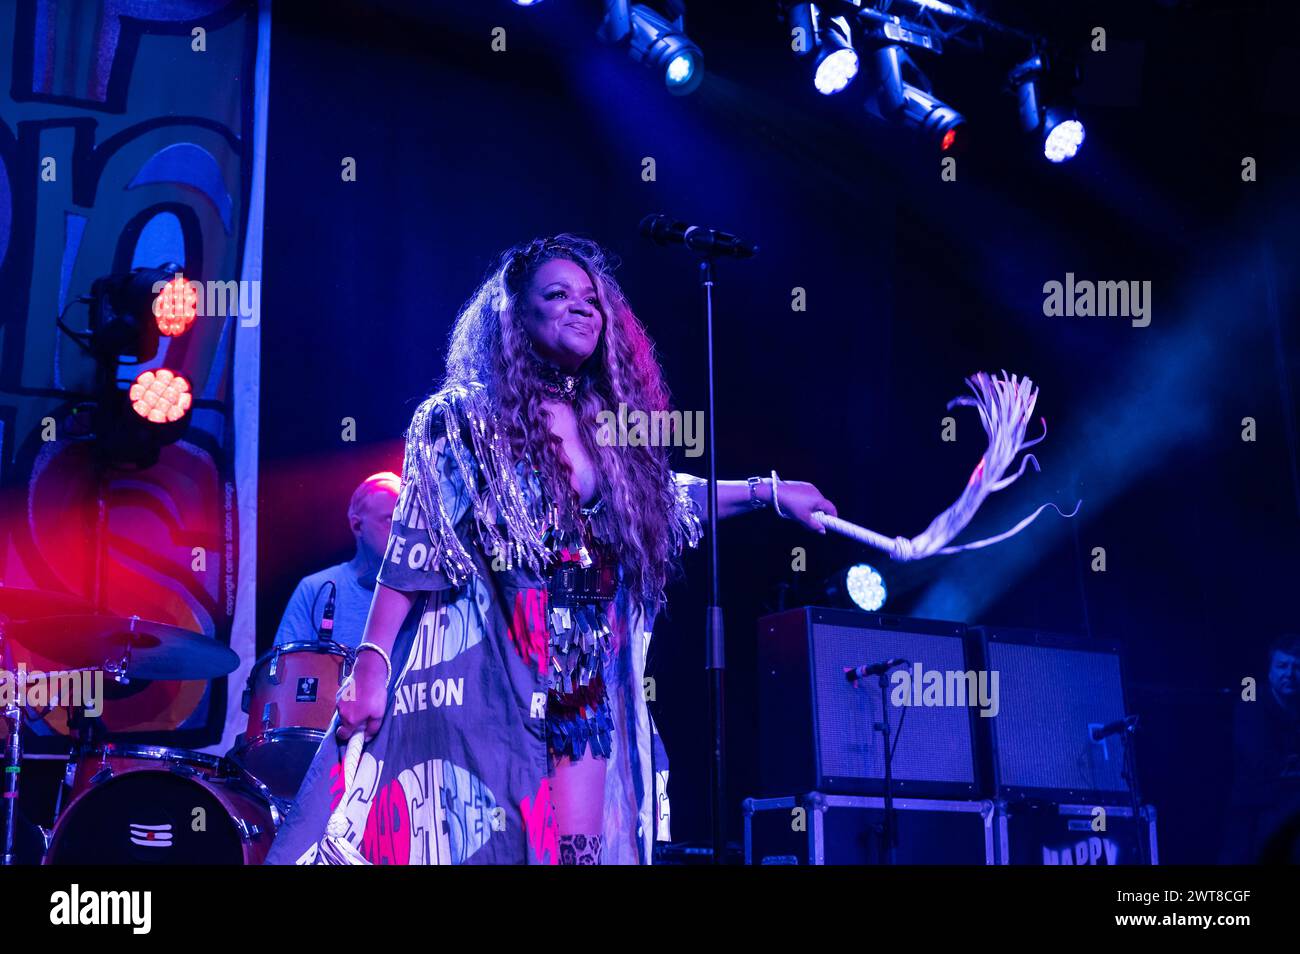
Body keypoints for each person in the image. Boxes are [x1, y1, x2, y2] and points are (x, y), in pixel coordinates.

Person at [264, 234, 836, 865]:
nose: (582, 307)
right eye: (558, 294)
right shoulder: (464, 417)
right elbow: (415, 541)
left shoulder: (611, 424)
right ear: (516, 313)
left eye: (592, 298)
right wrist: (370, 664)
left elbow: (666, 499)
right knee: (483, 845)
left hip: (584, 678)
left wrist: (769, 492)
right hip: (494, 667)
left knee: (578, 855)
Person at [271, 472, 401, 650]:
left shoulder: (421, 591)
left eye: (404, 521)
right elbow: (284, 671)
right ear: (357, 526)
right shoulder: (315, 588)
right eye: (389, 519)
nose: (400, 530)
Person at [1222, 632, 1300, 862]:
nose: (1290, 674)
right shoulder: (1251, 703)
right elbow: (1260, 761)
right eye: (1282, 666)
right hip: (1255, 816)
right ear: (1270, 670)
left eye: (1297, 667)